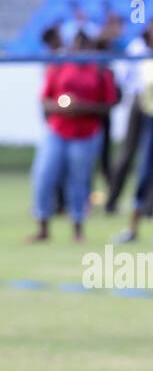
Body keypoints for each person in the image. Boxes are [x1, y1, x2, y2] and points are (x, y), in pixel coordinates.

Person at [29, 28, 117, 243]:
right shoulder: (59, 66)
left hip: (86, 133)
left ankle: (78, 230)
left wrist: (83, 107)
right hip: (58, 128)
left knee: (78, 181)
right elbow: (44, 100)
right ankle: (43, 228)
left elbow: (108, 105)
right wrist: (61, 107)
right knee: (43, 176)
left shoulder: (99, 70)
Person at [107, 22, 153, 212]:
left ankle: (145, 205)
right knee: (126, 153)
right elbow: (125, 75)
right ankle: (112, 200)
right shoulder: (137, 47)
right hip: (139, 100)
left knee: (148, 158)